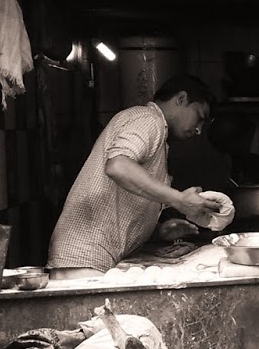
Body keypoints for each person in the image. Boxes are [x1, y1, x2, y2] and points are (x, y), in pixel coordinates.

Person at [48, 74, 222, 270]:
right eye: (200, 117)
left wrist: (157, 232)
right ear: (181, 99)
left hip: (92, 258)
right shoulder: (148, 119)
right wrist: (179, 200)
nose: (199, 130)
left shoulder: (158, 135)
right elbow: (118, 166)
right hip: (83, 258)